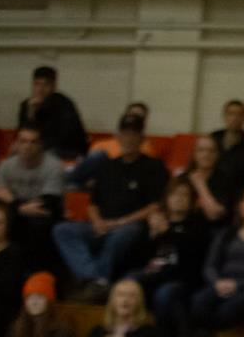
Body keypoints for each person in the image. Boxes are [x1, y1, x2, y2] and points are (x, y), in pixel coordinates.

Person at [53, 115, 166, 296]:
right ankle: (95, 278)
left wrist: (120, 222)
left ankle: (98, 282)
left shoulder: (153, 167)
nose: (129, 139)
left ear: (142, 138)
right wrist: (98, 222)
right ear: (118, 137)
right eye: (125, 134)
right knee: (63, 230)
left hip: (131, 226)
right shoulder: (107, 166)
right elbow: (93, 204)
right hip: (102, 225)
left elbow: (155, 206)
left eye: (133, 134)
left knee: (126, 233)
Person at [135, 180, 212, 337]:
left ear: (192, 200)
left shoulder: (198, 223)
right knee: (128, 281)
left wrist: (166, 232)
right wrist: (151, 235)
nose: (178, 198)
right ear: (167, 198)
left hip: (182, 278)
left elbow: (192, 257)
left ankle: (164, 336)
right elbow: (138, 257)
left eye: (184, 195)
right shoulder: (156, 222)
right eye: (174, 194)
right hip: (154, 274)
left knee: (165, 292)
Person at [0, 125, 67, 255]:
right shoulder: (6, 165)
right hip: (15, 213)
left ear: (41, 144)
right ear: (16, 143)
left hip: (43, 218)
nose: (27, 146)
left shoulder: (54, 166)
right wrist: (21, 208)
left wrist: (13, 202)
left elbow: (47, 204)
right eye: (23, 141)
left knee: (36, 223)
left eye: (33, 142)